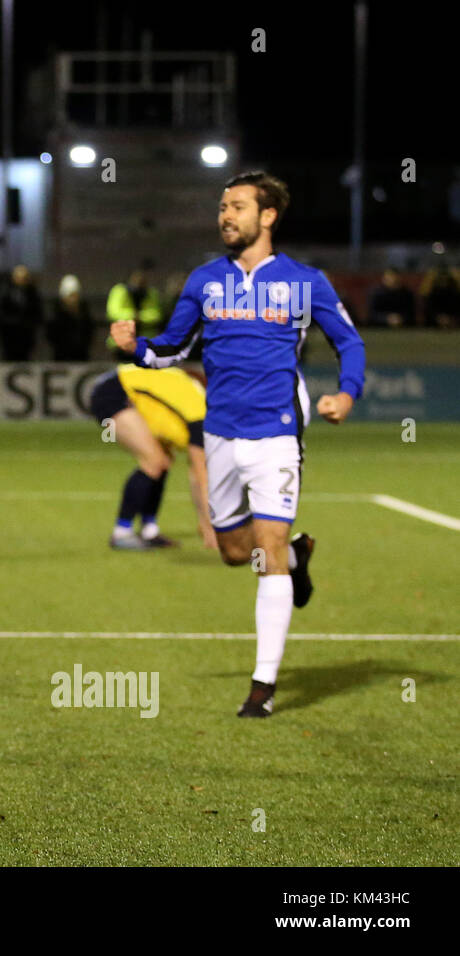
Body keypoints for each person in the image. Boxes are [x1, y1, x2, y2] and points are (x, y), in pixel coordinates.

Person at [110, 170, 366, 718]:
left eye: (237, 206)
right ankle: (297, 554)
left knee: (265, 549)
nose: (225, 215)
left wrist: (346, 394)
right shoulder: (204, 280)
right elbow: (171, 350)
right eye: (222, 207)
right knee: (234, 553)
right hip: (220, 430)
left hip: (276, 429)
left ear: (267, 216)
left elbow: (349, 341)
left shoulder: (305, 281)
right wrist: (137, 347)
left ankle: (262, 687)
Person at [89, 366, 214, 550]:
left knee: (163, 460)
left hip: (126, 389)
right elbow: (201, 478)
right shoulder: (200, 418)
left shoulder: (196, 404)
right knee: (154, 462)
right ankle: (121, 533)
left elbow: (197, 475)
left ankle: (149, 530)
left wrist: (205, 523)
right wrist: (211, 529)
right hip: (114, 393)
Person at [105, 265, 162, 357]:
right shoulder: (119, 291)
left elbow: (156, 315)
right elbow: (113, 313)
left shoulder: (152, 293)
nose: (139, 281)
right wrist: (132, 316)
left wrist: (139, 317)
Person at [0, 264, 43, 361]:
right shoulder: (6, 293)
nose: (21, 280)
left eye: (24, 278)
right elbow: (0, 313)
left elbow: (37, 313)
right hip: (9, 336)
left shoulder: (33, 293)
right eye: (19, 277)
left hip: (26, 336)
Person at [46, 274, 94, 360]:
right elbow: (51, 335)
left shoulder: (84, 313)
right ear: (63, 297)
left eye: (75, 295)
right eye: (70, 296)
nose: (73, 299)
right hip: (61, 357)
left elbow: (89, 333)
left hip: (81, 356)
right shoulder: (56, 314)